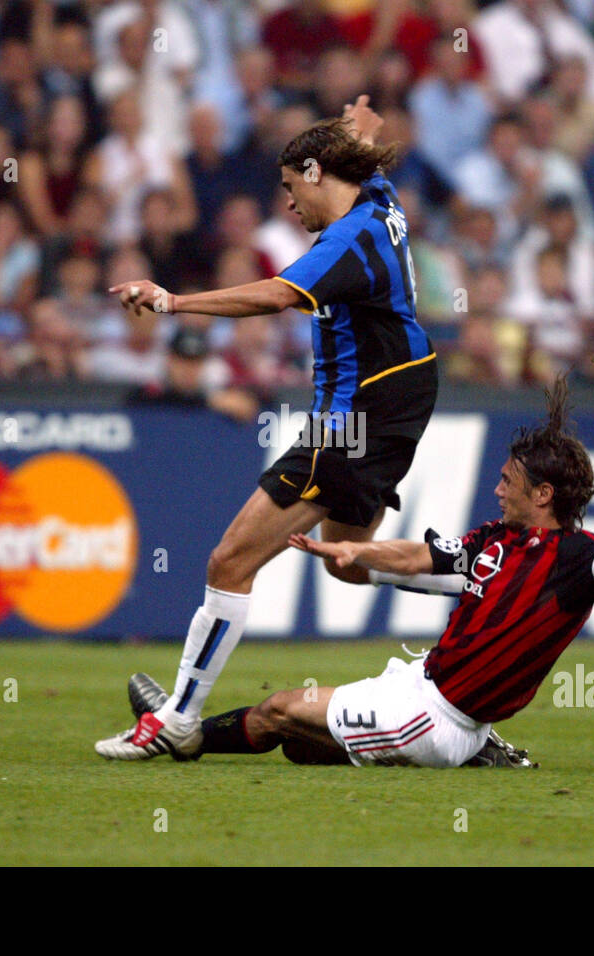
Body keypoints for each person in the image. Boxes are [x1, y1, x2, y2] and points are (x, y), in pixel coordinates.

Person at [99, 378, 594, 768]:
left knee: (279, 711)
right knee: (302, 748)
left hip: (435, 719)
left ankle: (181, 733)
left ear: (544, 494)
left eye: (509, 481)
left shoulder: (581, 560)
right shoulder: (495, 539)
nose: (498, 488)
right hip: (421, 685)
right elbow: (421, 557)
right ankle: (475, 753)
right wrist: (354, 553)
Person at [97, 95, 439, 760]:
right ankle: (481, 579)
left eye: (291, 186)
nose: (288, 203)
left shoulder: (347, 240)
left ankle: (178, 720)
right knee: (348, 561)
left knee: (230, 561)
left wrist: (173, 300)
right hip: (402, 397)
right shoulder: (379, 197)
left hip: (354, 417)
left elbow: (278, 294)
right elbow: (358, 155)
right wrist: (356, 129)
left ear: (317, 174)